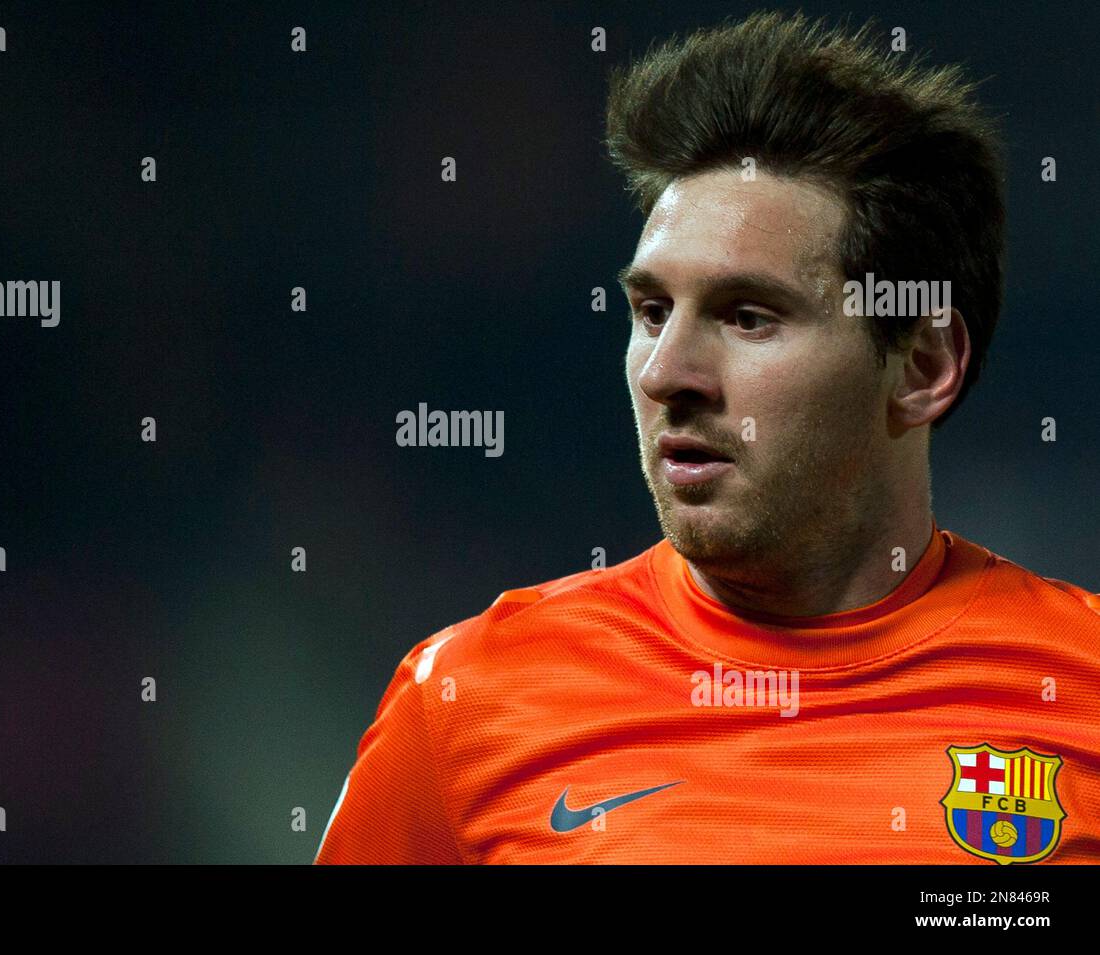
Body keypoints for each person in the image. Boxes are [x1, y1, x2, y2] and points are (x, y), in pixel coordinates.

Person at [314, 11, 1100, 864]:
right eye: (652, 311)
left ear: (921, 366)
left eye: (748, 316)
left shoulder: (1079, 682)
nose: (666, 373)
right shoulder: (465, 702)